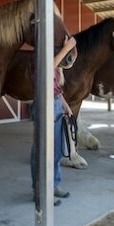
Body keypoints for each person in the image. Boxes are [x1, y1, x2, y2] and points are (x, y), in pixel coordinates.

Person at [30, 36, 78, 207]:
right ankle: (40, 191)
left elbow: (56, 88)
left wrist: (65, 105)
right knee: (42, 150)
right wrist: (67, 48)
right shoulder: (39, 57)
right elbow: (46, 72)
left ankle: (54, 185)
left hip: (56, 103)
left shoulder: (55, 61)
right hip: (44, 104)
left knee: (57, 149)